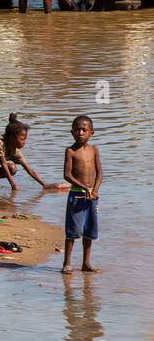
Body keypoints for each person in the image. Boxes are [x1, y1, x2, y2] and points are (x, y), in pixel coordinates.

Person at [0, 113, 67, 192]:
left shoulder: (16, 151)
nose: (24, 142)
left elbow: (29, 169)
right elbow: (3, 164)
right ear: (13, 138)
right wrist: (13, 185)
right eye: (22, 138)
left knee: (13, 168)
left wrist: (45, 185)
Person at [62, 114, 101, 274]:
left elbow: (100, 173)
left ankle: (86, 263)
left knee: (89, 231)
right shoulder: (70, 151)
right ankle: (67, 263)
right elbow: (67, 175)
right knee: (72, 231)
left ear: (91, 132)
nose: (80, 133)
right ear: (72, 132)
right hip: (76, 196)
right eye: (77, 130)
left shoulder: (94, 150)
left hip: (92, 197)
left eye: (84, 130)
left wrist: (95, 189)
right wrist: (84, 187)